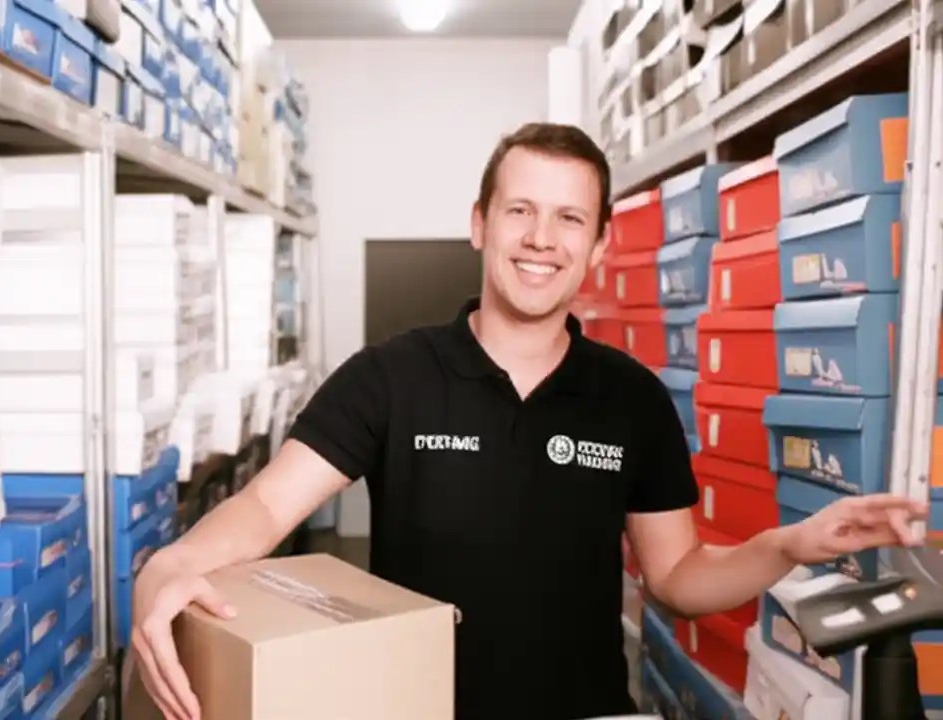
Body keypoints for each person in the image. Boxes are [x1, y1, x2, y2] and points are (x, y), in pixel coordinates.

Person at [129, 122, 928, 720]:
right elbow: (266, 505)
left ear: (600, 244)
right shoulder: (392, 376)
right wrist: (172, 565)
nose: (542, 239)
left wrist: (785, 546)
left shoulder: (631, 398)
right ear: (480, 223)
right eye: (521, 211)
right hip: (413, 706)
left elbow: (678, 580)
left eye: (570, 219)